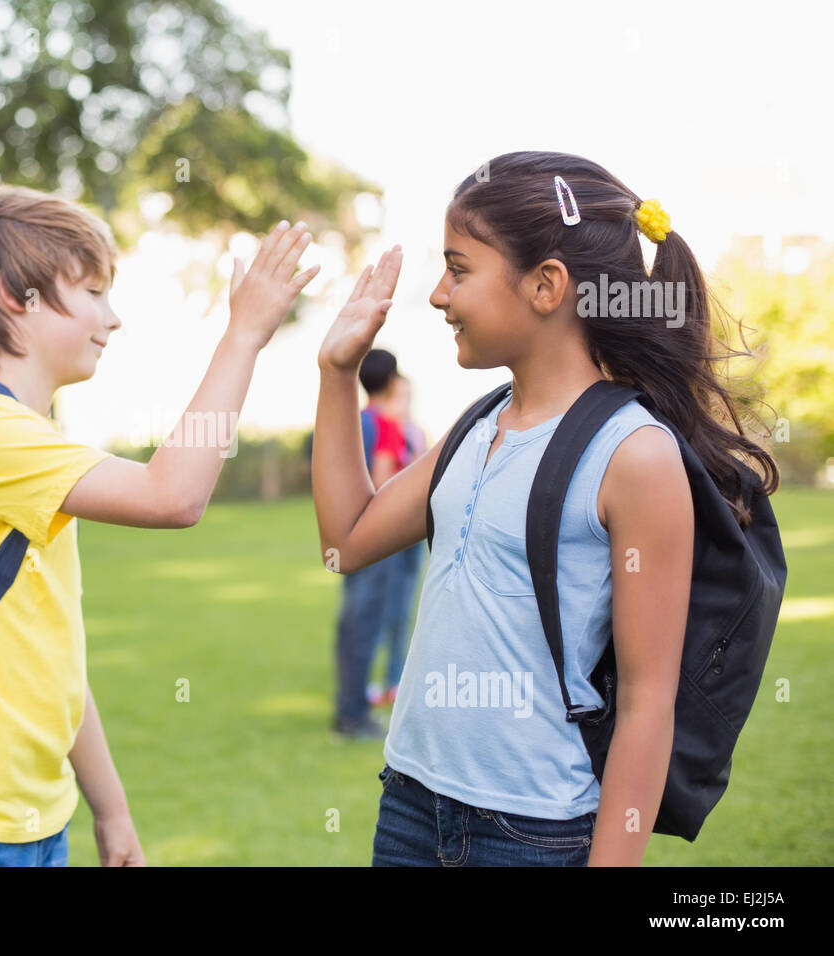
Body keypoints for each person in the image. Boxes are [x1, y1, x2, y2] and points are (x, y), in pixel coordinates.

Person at [313, 150, 776, 866]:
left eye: (459, 269)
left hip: (532, 833)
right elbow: (345, 541)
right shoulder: (477, 424)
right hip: (410, 803)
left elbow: (649, 707)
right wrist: (337, 373)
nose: (439, 295)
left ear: (545, 285)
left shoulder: (634, 455)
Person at [0, 186, 318, 866]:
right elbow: (174, 497)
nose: (112, 319)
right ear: (14, 297)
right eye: (93, 292)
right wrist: (244, 334)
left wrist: (110, 813)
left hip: (27, 820)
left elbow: (54, 654)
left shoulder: (23, 436)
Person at [331, 349, 408, 739]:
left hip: (341, 537)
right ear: (393, 382)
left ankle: (346, 709)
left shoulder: (350, 422)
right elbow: (382, 484)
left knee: (350, 625)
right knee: (366, 626)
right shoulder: (387, 424)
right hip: (374, 539)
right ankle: (354, 717)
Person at [366, 371, 428, 709]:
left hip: (412, 536)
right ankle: (369, 683)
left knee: (404, 611)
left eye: (408, 394)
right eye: (399, 394)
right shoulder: (384, 428)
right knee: (377, 610)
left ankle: (394, 680)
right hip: (390, 531)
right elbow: (382, 481)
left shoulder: (415, 433)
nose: (404, 401)